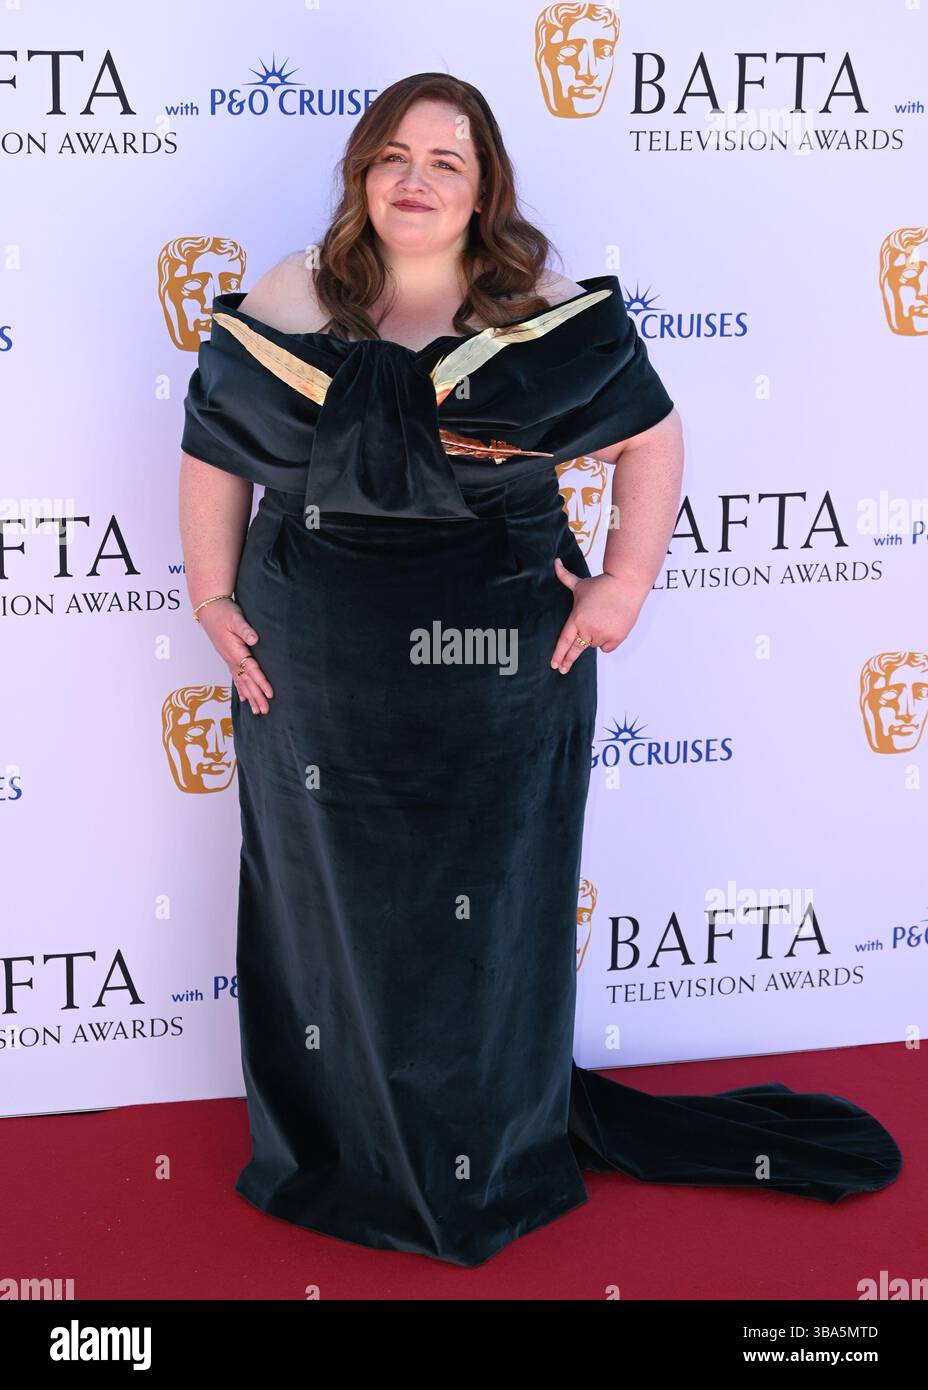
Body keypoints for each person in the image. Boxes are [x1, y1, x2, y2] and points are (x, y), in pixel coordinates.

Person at [178, 73, 902, 1268]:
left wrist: (623, 585)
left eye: (446, 163)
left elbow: (651, 435)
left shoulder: (539, 305)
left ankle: (485, 1159)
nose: (415, 178)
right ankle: (340, 1152)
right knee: (324, 909)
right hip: (315, 666)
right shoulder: (292, 292)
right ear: (363, 171)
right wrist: (211, 596)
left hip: (502, 662)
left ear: (484, 189)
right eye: (394, 155)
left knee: (491, 909)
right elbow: (215, 450)